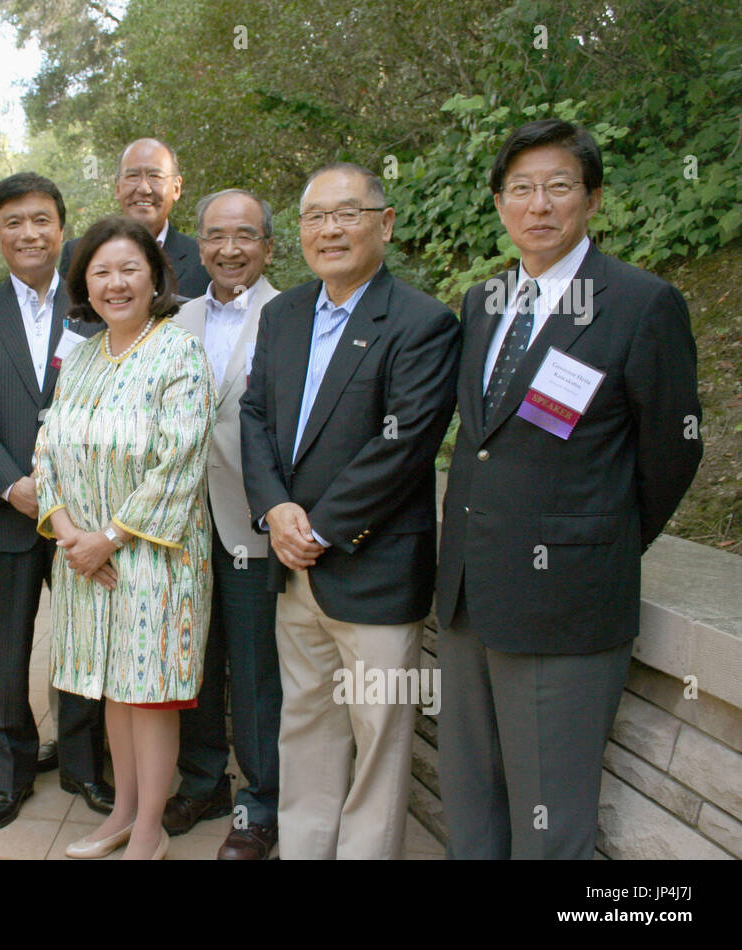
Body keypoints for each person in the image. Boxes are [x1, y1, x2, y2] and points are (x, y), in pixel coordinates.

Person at [435, 119, 703, 859]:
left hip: (566, 601)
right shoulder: (484, 302)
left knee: (551, 820)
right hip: (468, 593)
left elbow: (672, 451)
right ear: (498, 204)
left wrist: (600, 536)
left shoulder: (640, 304)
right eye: (520, 188)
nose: (539, 204)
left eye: (558, 186)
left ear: (592, 199)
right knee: (471, 800)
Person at [240, 163, 461, 859]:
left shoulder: (424, 323)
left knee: (377, 745)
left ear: (385, 223)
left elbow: (405, 443)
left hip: (373, 571)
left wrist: (323, 528)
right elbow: (252, 416)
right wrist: (276, 507)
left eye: (348, 213)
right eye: (314, 217)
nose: (329, 229)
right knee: (305, 729)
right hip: (293, 567)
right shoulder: (282, 314)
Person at [36, 215, 215, 860]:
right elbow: (46, 448)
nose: (116, 283)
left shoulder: (179, 350)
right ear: (84, 281)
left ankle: (149, 831)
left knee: (151, 693)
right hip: (84, 558)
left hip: (154, 559)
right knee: (113, 686)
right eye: (101, 271)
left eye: (129, 269)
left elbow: (182, 459)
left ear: (155, 276)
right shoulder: (79, 355)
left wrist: (108, 537)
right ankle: (121, 814)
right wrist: (69, 532)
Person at [0, 172, 112, 830]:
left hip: (83, 517)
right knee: (6, 652)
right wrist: (13, 486)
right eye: (13, 222)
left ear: (62, 229)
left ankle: (82, 766)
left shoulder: (94, 307)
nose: (29, 233)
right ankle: (10, 774)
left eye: (41, 219)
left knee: (80, 645)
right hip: (7, 513)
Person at [169, 189, 282, 859]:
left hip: (253, 521)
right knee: (195, 660)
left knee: (256, 665)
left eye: (245, 235)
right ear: (199, 244)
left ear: (268, 246)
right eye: (215, 235)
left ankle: (259, 801)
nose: (229, 248)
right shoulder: (175, 317)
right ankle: (203, 780)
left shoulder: (291, 315)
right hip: (181, 525)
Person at [59, 138, 208, 299]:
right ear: (117, 187)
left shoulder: (203, 260)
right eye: (132, 176)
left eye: (155, 176)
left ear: (176, 188)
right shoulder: (77, 254)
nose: (144, 188)